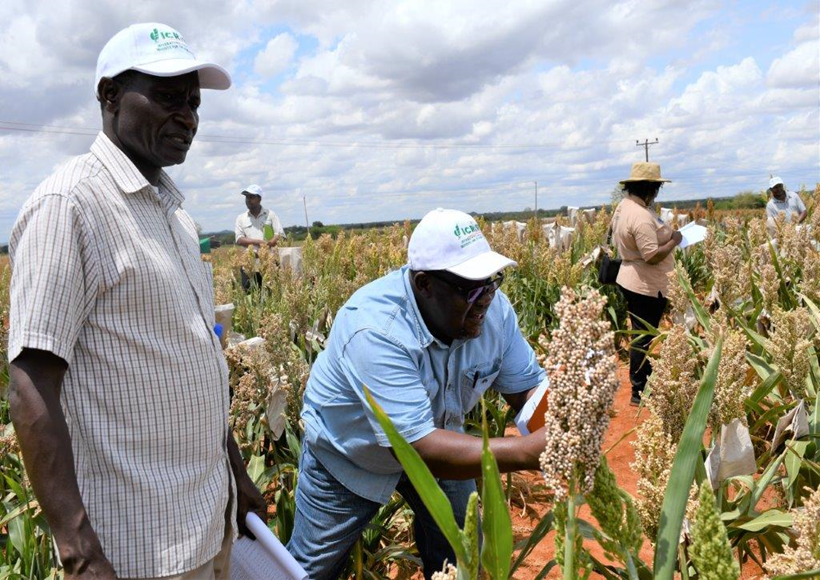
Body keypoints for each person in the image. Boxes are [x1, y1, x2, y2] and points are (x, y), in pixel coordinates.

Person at [7, 23, 265, 580]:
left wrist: (235, 473)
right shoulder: (69, 204)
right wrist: (77, 550)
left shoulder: (173, 211)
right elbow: (31, 381)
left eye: (194, 104)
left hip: (207, 521)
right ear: (108, 97)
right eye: (169, 98)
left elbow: (191, 357)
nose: (189, 117)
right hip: (136, 547)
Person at [287, 208, 549, 580]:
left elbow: (527, 389)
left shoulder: (492, 311)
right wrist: (527, 451)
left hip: (444, 444)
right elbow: (417, 447)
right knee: (309, 570)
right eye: (472, 288)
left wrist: (562, 426)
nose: (487, 297)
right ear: (424, 284)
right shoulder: (376, 329)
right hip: (350, 453)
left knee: (462, 554)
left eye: (493, 281)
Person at [611, 162, 682, 406]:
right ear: (650, 189)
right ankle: (639, 390)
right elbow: (651, 255)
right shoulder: (640, 216)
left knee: (641, 334)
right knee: (643, 337)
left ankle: (644, 382)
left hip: (632, 279)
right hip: (645, 285)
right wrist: (675, 241)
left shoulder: (623, 207)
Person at [234, 184, 285, 290]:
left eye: (251, 197)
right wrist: (259, 242)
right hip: (249, 265)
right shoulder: (241, 218)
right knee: (250, 294)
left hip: (270, 263)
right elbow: (239, 239)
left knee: (271, 293)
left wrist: (268, 245)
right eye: (246, 197)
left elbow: (279, 234)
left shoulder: (270, 215)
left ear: (259, 199)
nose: (248, 200)